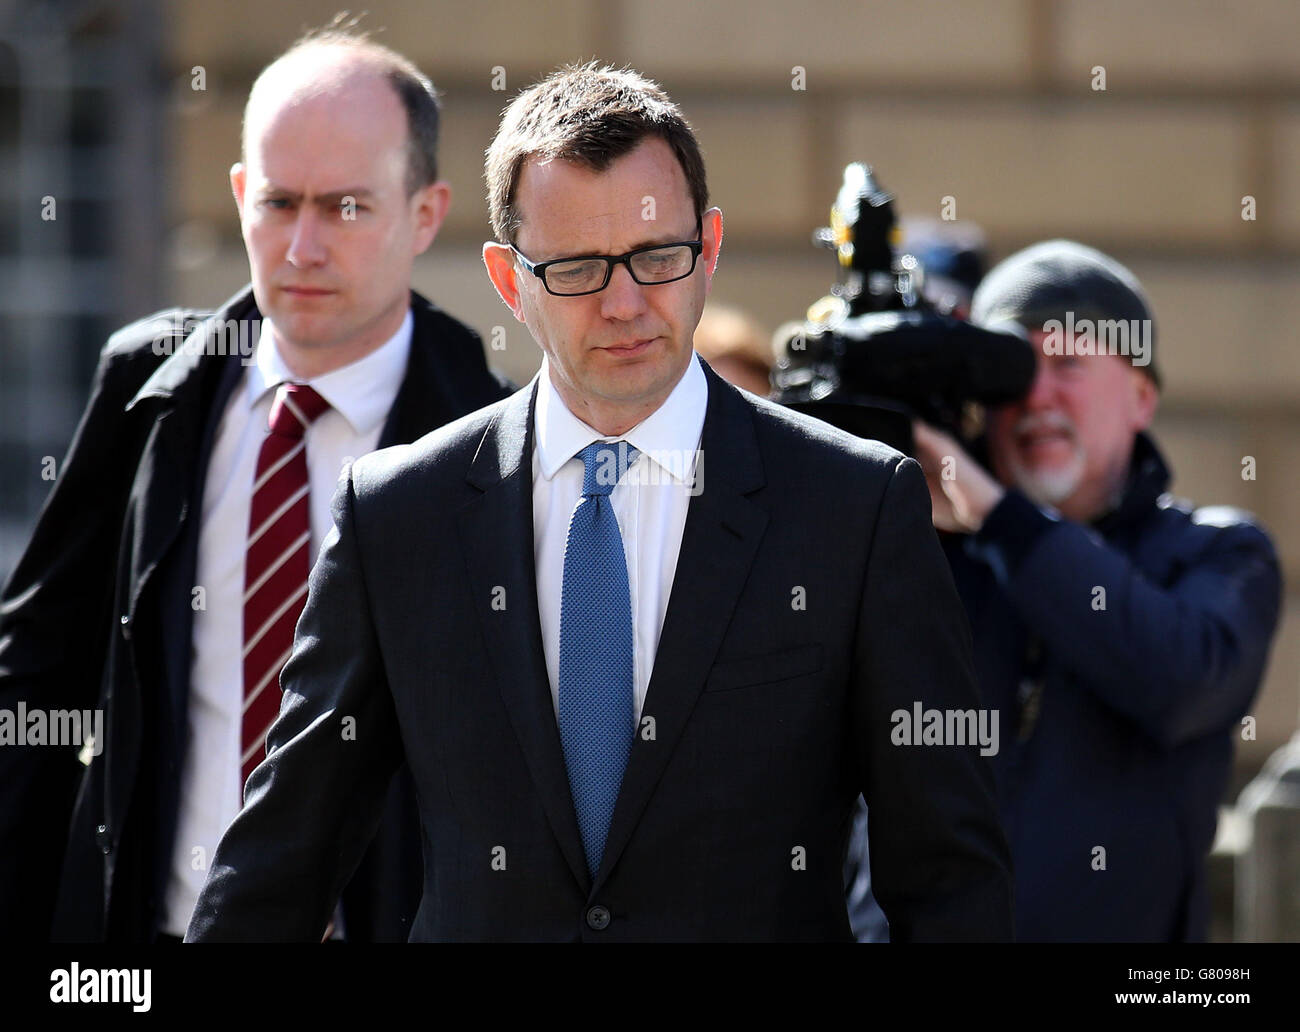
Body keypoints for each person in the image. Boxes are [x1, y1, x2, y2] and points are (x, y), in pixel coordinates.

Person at [186, 62, 1012, 943]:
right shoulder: (401, 516)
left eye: (658, 256)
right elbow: (281, 860)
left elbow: (948, 882)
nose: (626, 304)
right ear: (510, 282)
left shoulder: (854, 508)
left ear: (710, 245)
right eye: (579, 269)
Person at [0, 26, 509, 942]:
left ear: (425, 214)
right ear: (241, 197)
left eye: (346, 207)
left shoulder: (492, 444)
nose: (303, 247)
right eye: (279, 203)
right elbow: (39, 673)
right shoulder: (150, 389)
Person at [849, 239, 1282, 941]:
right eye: (1013, 369)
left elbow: (1178, 680)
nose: (1036, 396)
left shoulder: (1221, 552)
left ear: (1141, 397)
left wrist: (997, 516)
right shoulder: (915, 550)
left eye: (1068, 363)